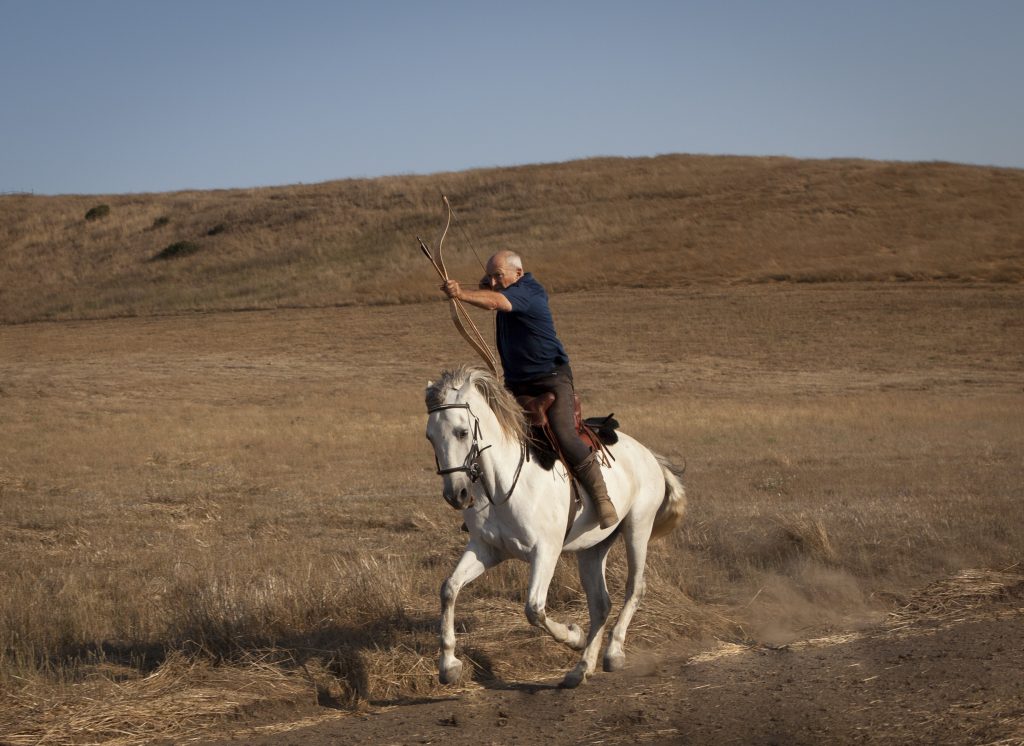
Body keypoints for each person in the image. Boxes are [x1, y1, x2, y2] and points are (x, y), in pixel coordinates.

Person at [441, 250, 618, 529]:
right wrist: (476, 289)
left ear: (518, 273)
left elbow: (495, 302)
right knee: (490, 435)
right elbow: (493, 298)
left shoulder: (529, 291)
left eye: (498, 276)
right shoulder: (505, 289)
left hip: (551, 378)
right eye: (489, 277)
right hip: (515, 383)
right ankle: (485, 505)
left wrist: (461, 294)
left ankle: (602, 498)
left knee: (564, 434)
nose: (493, 282)